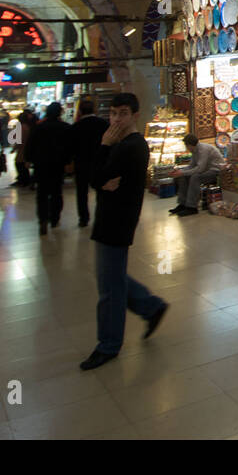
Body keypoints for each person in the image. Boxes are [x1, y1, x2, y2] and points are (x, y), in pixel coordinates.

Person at [80, 92, 168, 371]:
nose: (117, 119)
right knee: (111, 276)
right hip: (110, 217)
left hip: (117, 220)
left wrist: (104, 147)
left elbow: (94, 177)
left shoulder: (130, 146)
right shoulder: (124, 143)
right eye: (114, 113)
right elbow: (98, 180)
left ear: (135, 115)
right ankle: (151, 306)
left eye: (123, 114)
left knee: (109, 287)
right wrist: (102, 175)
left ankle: (108, 344)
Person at [28, 102, 73, 235]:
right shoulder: (65, 128)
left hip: (41, 165)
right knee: (56, 192)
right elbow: (69, 148)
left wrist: (29, 159)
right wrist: (68, 162)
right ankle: (54, 218)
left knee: (41, 193)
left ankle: (42, 219)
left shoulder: (39, 127)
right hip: (57, 165)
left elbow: (31, 145)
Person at [70, 100, 109, 228]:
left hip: (81, 164)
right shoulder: (103, 124)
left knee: (82, 192)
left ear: (80, 111)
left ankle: (83, 218)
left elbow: (71, 147)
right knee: (101, 191)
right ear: (95, 110)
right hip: (99, 163)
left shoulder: (76, 127)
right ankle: (100, 216)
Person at [170, 133, 225, 217]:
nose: (187, 148)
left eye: (187, 146)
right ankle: (183, 204)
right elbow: (191, 166)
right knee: (182, 177)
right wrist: (180, 171)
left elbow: (200, 169)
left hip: (215, 171)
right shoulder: (195, 151)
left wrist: (182, 172)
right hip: (206, 170)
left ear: (190, 145)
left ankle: (192, 207)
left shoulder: (203, 150)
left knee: (195, 177)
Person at [13, 110, 38, 188]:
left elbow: (17, 139)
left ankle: (24, 180)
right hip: (27, 147)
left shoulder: (20, 127)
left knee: (19, 163)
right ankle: (25, 180)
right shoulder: (28, 126)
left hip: (22, 148)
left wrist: (15, 147)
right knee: (23, 163)